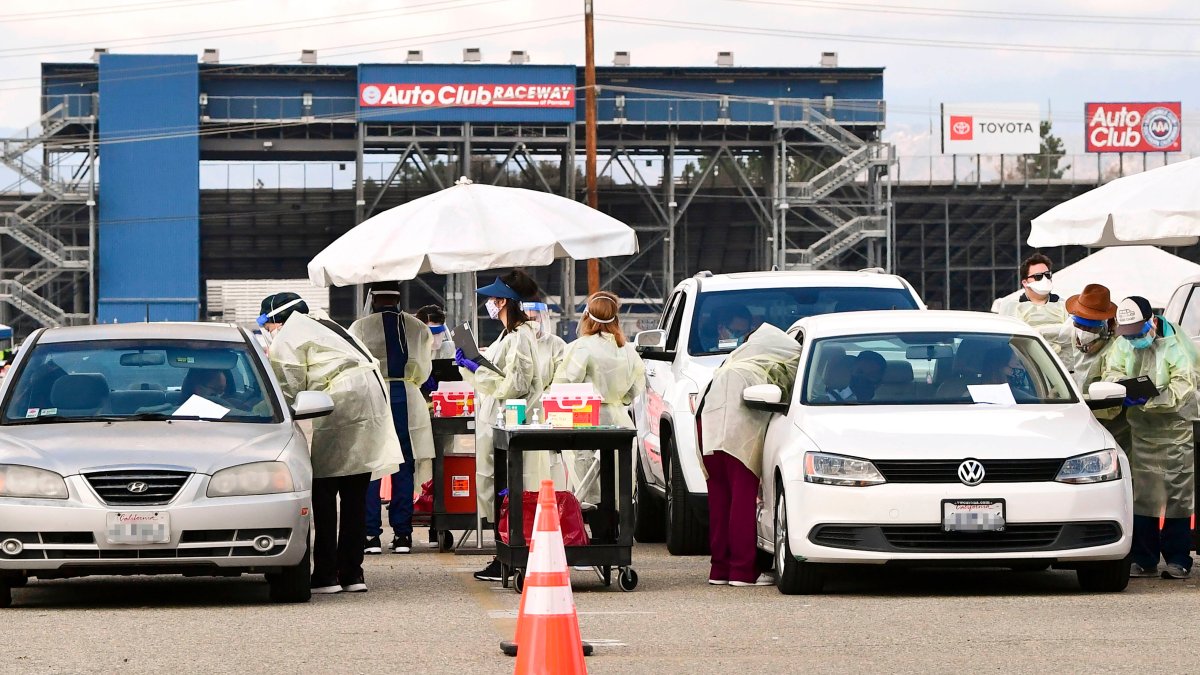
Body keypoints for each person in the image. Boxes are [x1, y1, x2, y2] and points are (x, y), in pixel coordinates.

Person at [261, 292, 404, 594]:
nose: (269, 329)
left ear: (277, 319)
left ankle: (326, 574)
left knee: (323, 491)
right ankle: (352, 574)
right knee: (355, 491)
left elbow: (287, 387)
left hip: (343, 399)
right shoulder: (324, 323)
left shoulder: (289, 334)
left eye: (268, 323)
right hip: (371, 397)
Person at [454, 269, 559, 582]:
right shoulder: (509, 335)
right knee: (499, 487)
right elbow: (502, 375)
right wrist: (474, 365)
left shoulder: (520, 337)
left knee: (508, 489)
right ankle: (503, 553)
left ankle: (510, 554)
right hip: (499, 421)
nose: (491, 302)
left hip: (512, 421)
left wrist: (477, 369)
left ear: (505, 301)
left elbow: (516, 383)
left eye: (495, 297)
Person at [1101, 296, 1200, 580]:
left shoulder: (1177, 346)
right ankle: (1144, 558)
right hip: (1141, 430)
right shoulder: (1125, 341)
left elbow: (1184, 385)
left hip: (1174, 430)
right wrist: (1121, 389)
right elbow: (1113, 370)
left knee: (1176, 494)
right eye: (1128, 334)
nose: (1133, 340)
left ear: (1151, 321)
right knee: (1143, 493)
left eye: (1137, 333)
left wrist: (1150, 398)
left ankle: (1178, 558)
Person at [699, 323, 802, 586]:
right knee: (742, 502)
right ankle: (743, 571)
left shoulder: (729, 364)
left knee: (719, 502)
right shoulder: (759, 368)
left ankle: (719, 570)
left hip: (708, 435)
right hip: (740, 439)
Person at [349, 282, 435, 556]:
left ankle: (370, 534)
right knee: (404, 466)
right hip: (407, 395)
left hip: (373, 395)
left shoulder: (360, 327)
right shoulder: (418, 327)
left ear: (372, 298)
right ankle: (403, 535)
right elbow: (424, 368)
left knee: (372, 466)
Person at [552, 292, 646, 506]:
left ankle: (596, 532)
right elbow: (635, 388)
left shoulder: (581, 347)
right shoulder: (628, 350)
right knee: (617, 481)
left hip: (586, 422)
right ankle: (617, 533)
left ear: (587, 316)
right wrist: (617, 401)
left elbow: (563, 385)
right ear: (616, 318)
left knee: (587, 484)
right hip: (620, 422)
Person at [1040, 284, 1130, 448]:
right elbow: (1045, 332)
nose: (1082, 332)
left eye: (1088, 327)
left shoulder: (1116, 348)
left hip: (1109, 423)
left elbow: (1112, 399)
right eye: (1079, 325)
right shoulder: (1073, 331)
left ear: (1105, 325)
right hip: (1078, 417)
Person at [994, 253, 1069, 358]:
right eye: (1038, 277)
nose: (1044, 279)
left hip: (1063, 367)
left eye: (1047, 275)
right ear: (1025, 282)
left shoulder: (1064, 305)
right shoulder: (1012, 307)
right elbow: (1007, 341)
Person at [524, 300, 567, 385]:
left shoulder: (556, 344)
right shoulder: (514, 343)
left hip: (548, 397)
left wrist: (546, 395)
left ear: (541, 317)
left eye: (534, 319)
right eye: (526, 320)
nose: (531, 323)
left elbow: (563, 378)